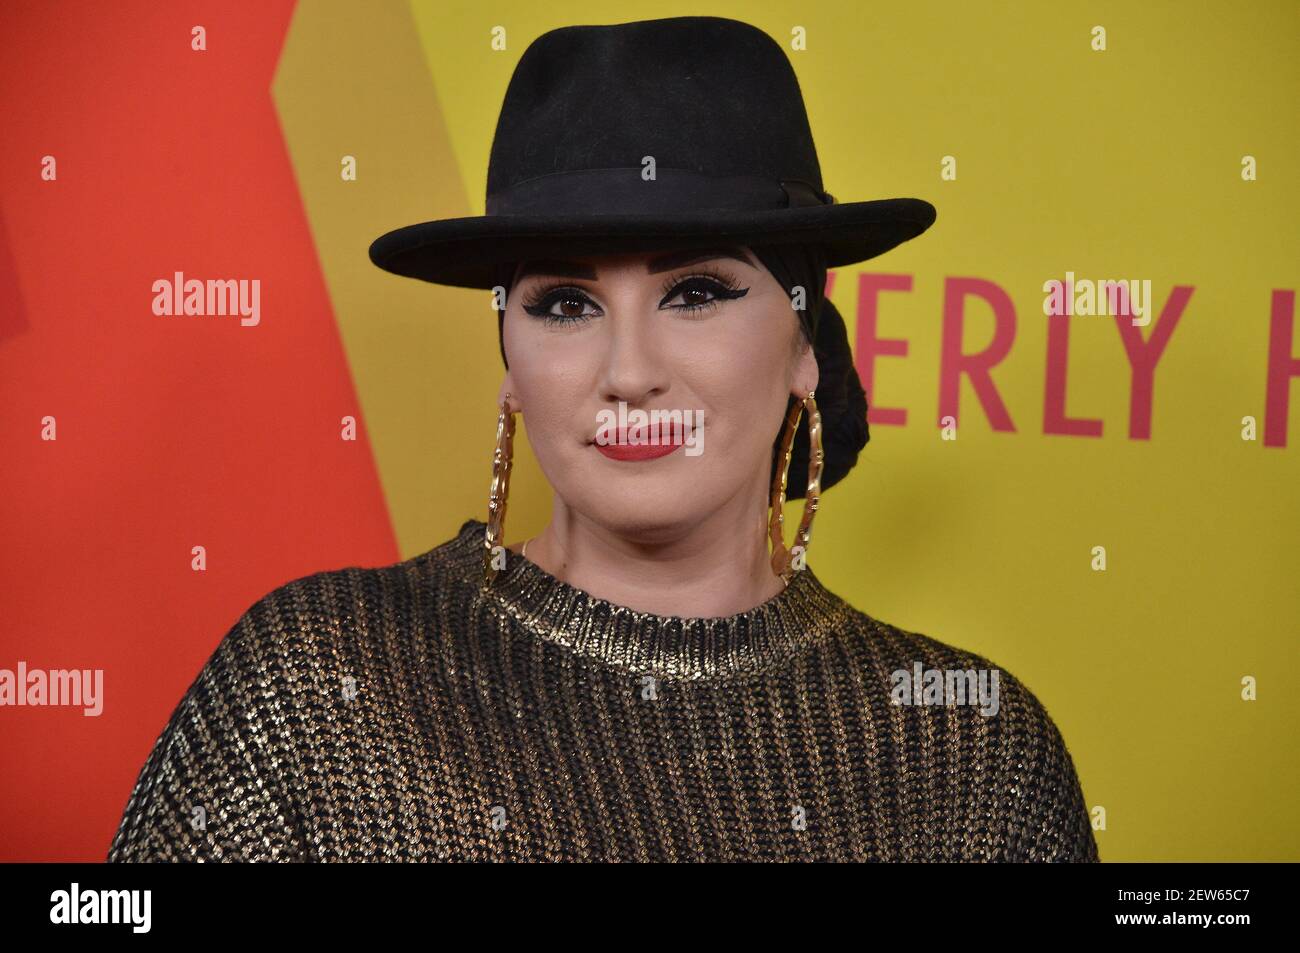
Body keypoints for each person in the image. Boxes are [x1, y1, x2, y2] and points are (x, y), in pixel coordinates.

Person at [108, 15, 1098, 862]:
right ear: (509, 358)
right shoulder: (320, 677)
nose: (627, 370)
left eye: (697, 291)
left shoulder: (972, 746)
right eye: (566, 303)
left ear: (807, 345)